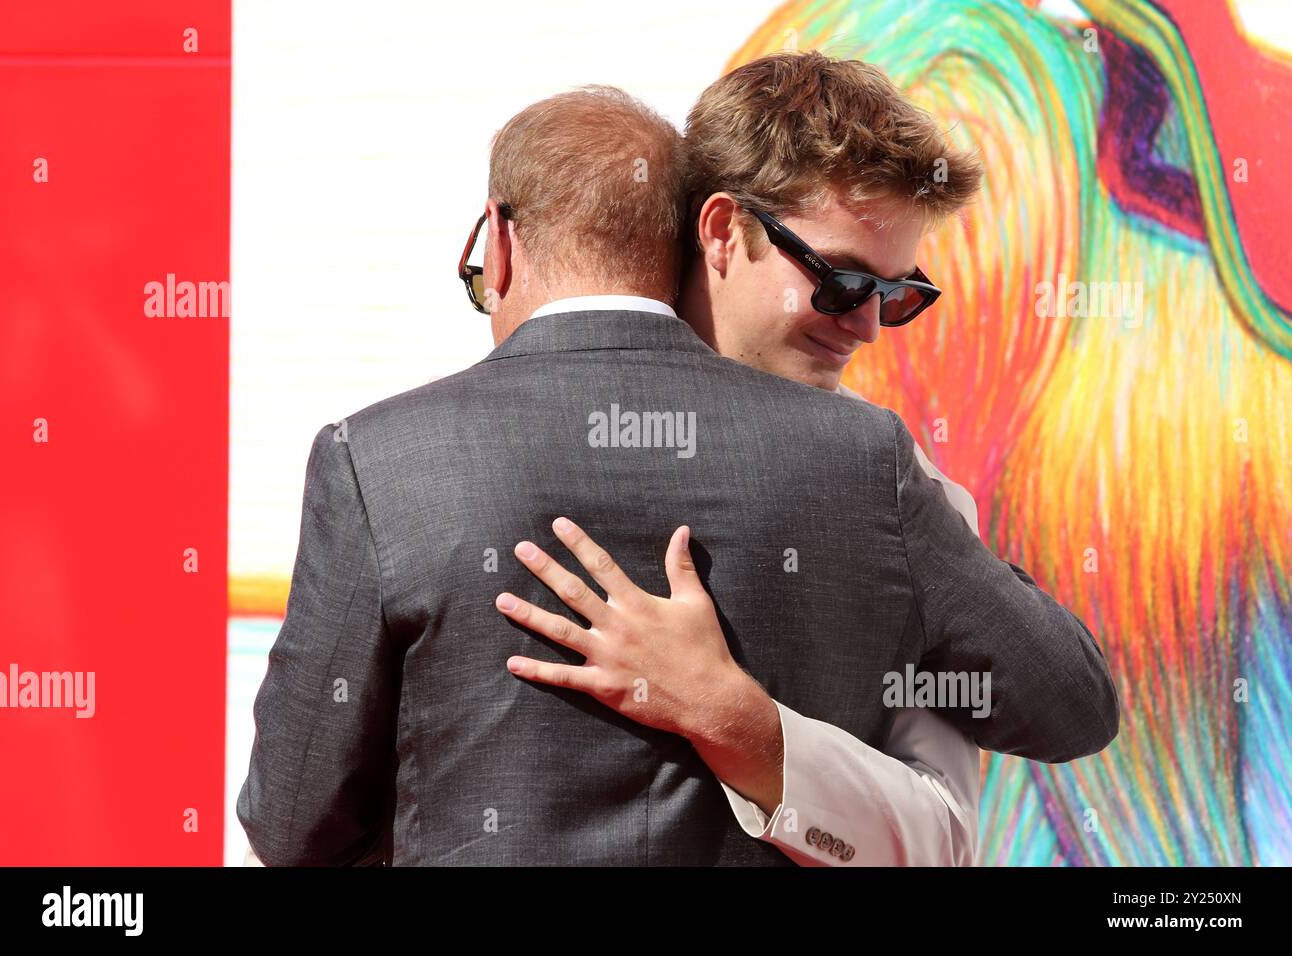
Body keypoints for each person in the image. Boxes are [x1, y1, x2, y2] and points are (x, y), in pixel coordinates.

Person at [238, 78, 1118, 866]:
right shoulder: (866, 468)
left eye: (900, 296)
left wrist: (742, 724)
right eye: (843, 284)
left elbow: (951, 825)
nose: (869, 327)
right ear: (724, 232)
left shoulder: (885, 472)